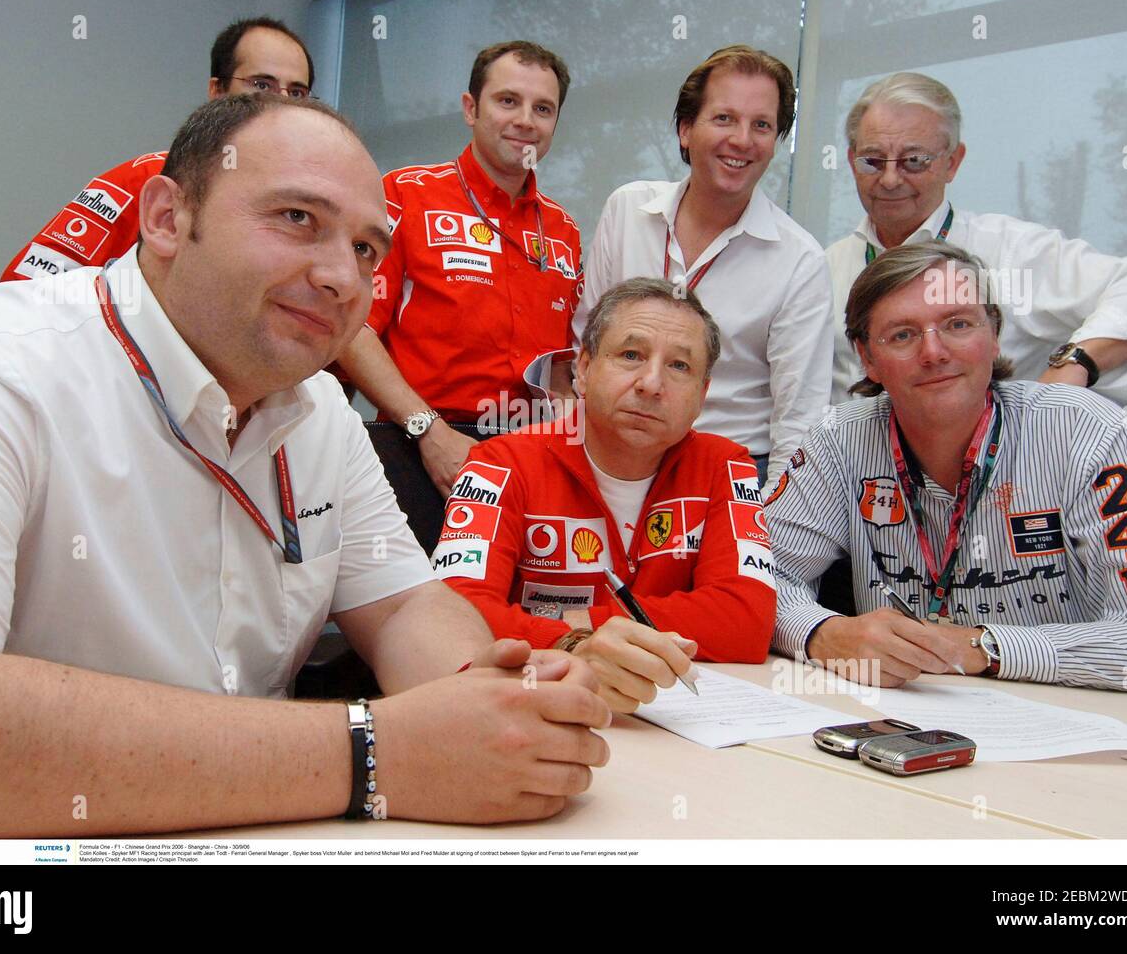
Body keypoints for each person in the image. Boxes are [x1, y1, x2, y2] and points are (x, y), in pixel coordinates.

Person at [0, 94, 611, 837]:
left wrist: (493, 696)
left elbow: (401, 608)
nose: (342, 278)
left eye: (366, 249)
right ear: (166, 217)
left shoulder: (323, 412)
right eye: (298, 219)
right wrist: (373, 754)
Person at [766, 240, 1127, 695]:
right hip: (902, 715)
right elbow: (756, 578)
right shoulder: (839, 439)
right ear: (868, 358)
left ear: (995, 333)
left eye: (958, 324)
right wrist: (822, 634)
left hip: (1067, 716)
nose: (934, 352)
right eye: (902, 334)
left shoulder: (1088, 431)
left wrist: (983, 648)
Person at [432, 277, 777, 713]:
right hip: (537, 707)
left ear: (702, 394)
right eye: (630, 355)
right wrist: (576, 644)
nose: (651, 384)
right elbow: (451, 612)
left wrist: (580, 623)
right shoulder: (498, 463)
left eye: (679, 367)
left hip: (679, 718)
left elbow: (747, 623)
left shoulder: (726, 466)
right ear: (584, 367)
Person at [827, 72, 1127, 414]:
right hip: (861, 469)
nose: (890, 179)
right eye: (872, 161)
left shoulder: (1009, 252)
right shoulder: (825, 268)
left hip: (1002, 468)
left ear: (952, 162)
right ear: (850, 161)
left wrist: (1074, 364)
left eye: (914, 161)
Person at [575, 45, 833, 485]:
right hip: (610, 452)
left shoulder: (801, 260)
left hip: (729, 469)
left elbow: (799, 422)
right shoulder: (627, 210)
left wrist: (761, 532)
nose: (743, 140)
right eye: (724, 118)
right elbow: (585, 344)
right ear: (685, 129)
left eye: (762, 125)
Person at [337, 41, 582, 495]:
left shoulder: (564, 230)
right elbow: (352, 330)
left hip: (529, 453)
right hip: (419, 444)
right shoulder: (407, 195)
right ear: (471, 108)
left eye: (543, 108)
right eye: (508, 101)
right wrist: (428, 431)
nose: (525, 120)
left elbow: (561, 369)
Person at [0, 16, 314, 281]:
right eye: (261, 85)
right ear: (217, 91)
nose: (280, 103)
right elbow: (21, 294)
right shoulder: (148, 178)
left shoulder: (320, 211)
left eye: (297, 92)